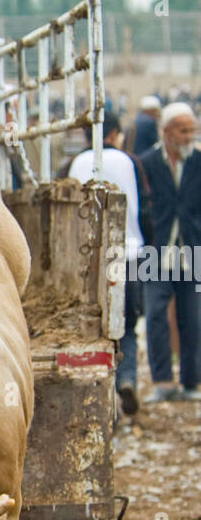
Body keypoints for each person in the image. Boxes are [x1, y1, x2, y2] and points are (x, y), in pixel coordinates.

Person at [69, 111, 148, 415]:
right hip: (128, 254)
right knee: (126, 324)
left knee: (97, 330)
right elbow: (146, 208)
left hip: (88, 261)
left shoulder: (74, 164)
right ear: (114, 133)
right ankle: (127, 380)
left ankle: (106, 396)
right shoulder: (130, 162)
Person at [140, 102, 201, 402]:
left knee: (192, 318)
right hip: (156, 249)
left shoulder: (199, 162)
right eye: (184, 129)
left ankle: (191, 381)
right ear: (166, 132)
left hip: (192, 249)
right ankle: (163, 381)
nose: (190, 135)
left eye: (192, 129)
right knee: (154, 316)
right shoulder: (147, 163)